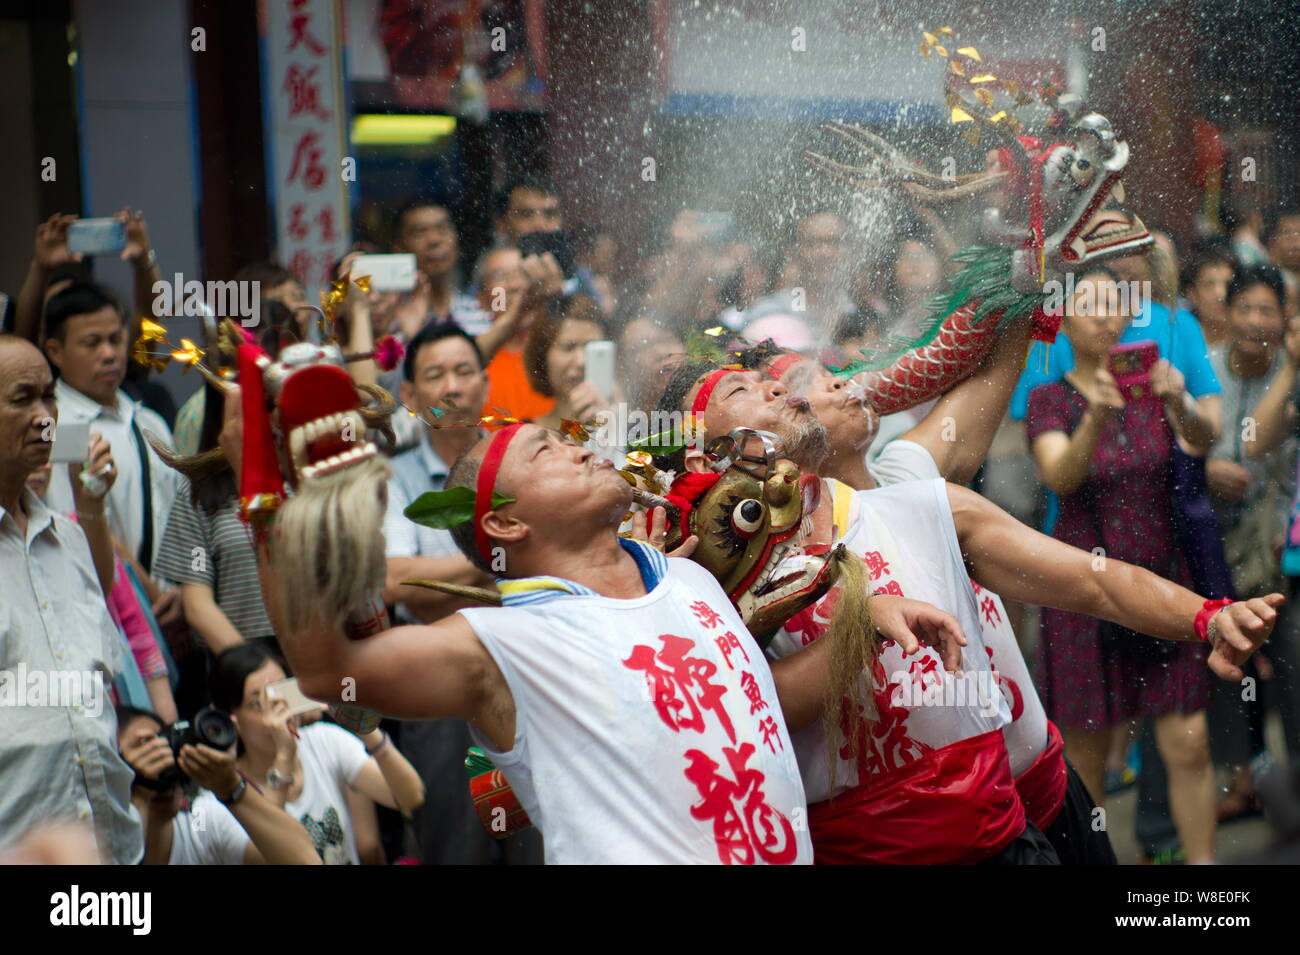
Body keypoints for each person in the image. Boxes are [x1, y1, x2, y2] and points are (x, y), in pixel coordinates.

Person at [654, 356, 1282, 864]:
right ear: (701, 455)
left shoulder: (920, 506)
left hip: (1004, 841)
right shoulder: (693, 580)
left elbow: (1096, 584)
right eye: (742, 388)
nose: (775, 387)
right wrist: (858, 626)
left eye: (772, 380)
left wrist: (1208, 617)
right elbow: (743, 713)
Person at [1026, 266, 1225, 863]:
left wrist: (1177, 398)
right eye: (1088, 303)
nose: (1104, 314)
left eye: (1114, 302)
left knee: (1188, 742)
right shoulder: (1049, 398)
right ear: (1064, 320)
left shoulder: (1154, 384)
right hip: (1083, 589)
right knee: (1087, 761)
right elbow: (1060, 475)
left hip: (1164, 577)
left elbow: (1204, 437)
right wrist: (1098, 416)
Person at [0, 334, 143, 863]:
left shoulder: (70, 536)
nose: (44, 417)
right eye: (22, 399)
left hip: (105, 849)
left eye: (49, 397)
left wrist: (91, 506)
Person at [1205, 263, 1297, 823]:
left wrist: (1290, 368)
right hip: (1218, 547)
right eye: (1247, 308)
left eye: (1268, 309)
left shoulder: (1292, 372)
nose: (1256, 320)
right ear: (1228, 311)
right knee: (1231, 669)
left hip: (1279, 549)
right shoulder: (1207, 370)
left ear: (1284, 317)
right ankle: (1245, 781)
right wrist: (1209, 466)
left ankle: (1289, 787)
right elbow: (1189, 445)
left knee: (1290, 669)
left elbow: (1260, 438)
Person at [40, 282, 184, 631]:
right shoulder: (60, 426)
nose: (109, 353)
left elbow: (182, 513)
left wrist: (186, 589)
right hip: (112, 615)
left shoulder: (148, 420)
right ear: (55, 352)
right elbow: (80, 521)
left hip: (179, 609)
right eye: (92, 343)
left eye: (116, 340)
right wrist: (151, 595)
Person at [208, 642, 425, 865]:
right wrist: (284, 758)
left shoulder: (323, 740)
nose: (280, 708)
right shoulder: (226, 791)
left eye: (281, 691)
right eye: (258, 702)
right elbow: (263, 856)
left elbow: (409, 796)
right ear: (231, 720)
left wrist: (365, 728)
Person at [116, 705, 322, 865]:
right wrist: (138, 798)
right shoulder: (94, 846)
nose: (158, 765)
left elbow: (304, 860)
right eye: (141, 754)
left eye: (162, 744)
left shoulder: (202, 822)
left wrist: (230, 786)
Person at [739, 211, 854, 352]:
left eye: (835, 242)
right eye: (813, 243)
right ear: (792, 252)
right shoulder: (770, 311)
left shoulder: (855, 309)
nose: (826, 252)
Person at [525, 295, 613, 434]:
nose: (581, 361)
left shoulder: (627, 427)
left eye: (592, 348)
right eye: (568, 347)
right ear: (543, 355)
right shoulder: (524, 436)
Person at [1182, 246, 1238, 348]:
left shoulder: (1249, 343)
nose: (1221, 294)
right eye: (1209, 285)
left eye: (1228, 285)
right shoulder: (1181, 341)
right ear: (1192, 295)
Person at [494, 173, 563, 246]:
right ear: (502, 224)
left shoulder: (573, 254)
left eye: (550, 214)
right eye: (525, 214)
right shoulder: (498, 256)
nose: (540, 224)